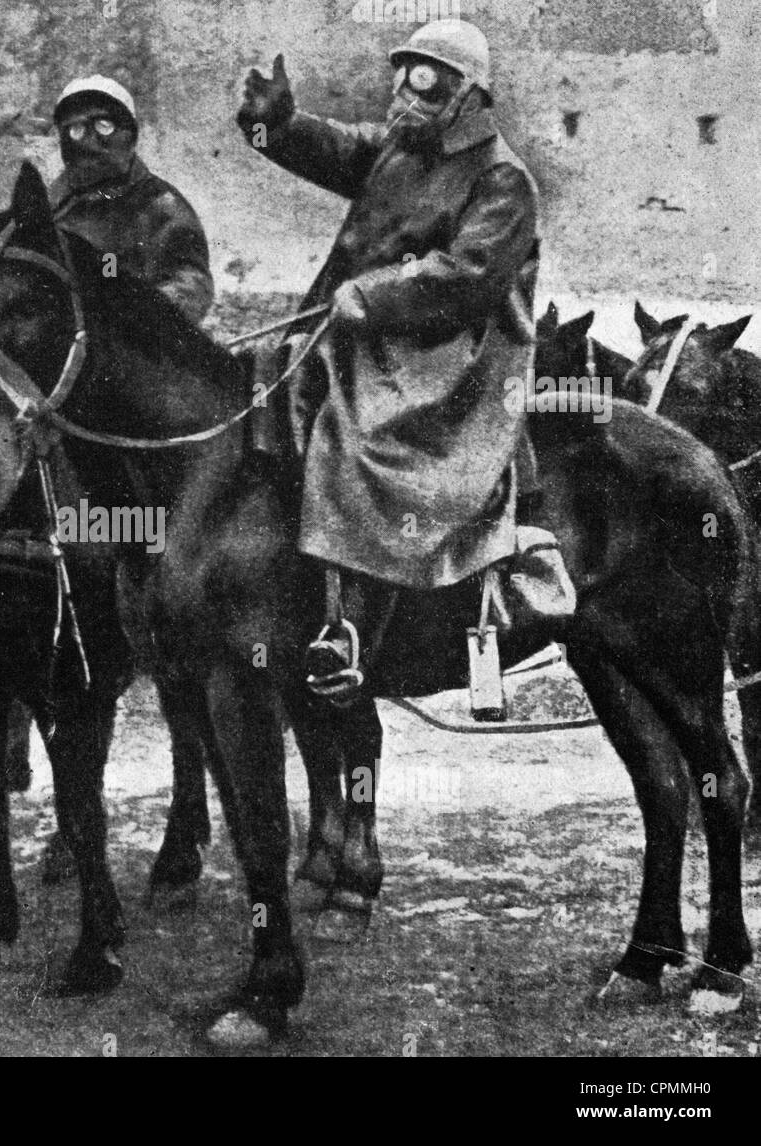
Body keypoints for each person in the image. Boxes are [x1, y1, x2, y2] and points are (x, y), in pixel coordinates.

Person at [237, 19, 558, 702]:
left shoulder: (504, 179)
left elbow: (465, 277)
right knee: (268, 377)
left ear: (465, 94)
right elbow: (335, 149)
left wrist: (373, 295)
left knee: (364, 434)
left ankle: (348, 629)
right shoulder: (402, 150)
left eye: (422, 82)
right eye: (401, 79)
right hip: (365, 331)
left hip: (451, 356)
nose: (401, 98)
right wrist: (277, 124)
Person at [50, 75, 214, 323]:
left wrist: (133, 316)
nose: (89, 141)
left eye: (104, 125)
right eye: (76, 129)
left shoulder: (161, 207)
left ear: (131, 135)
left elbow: (190, 284)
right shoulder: (52, 207)